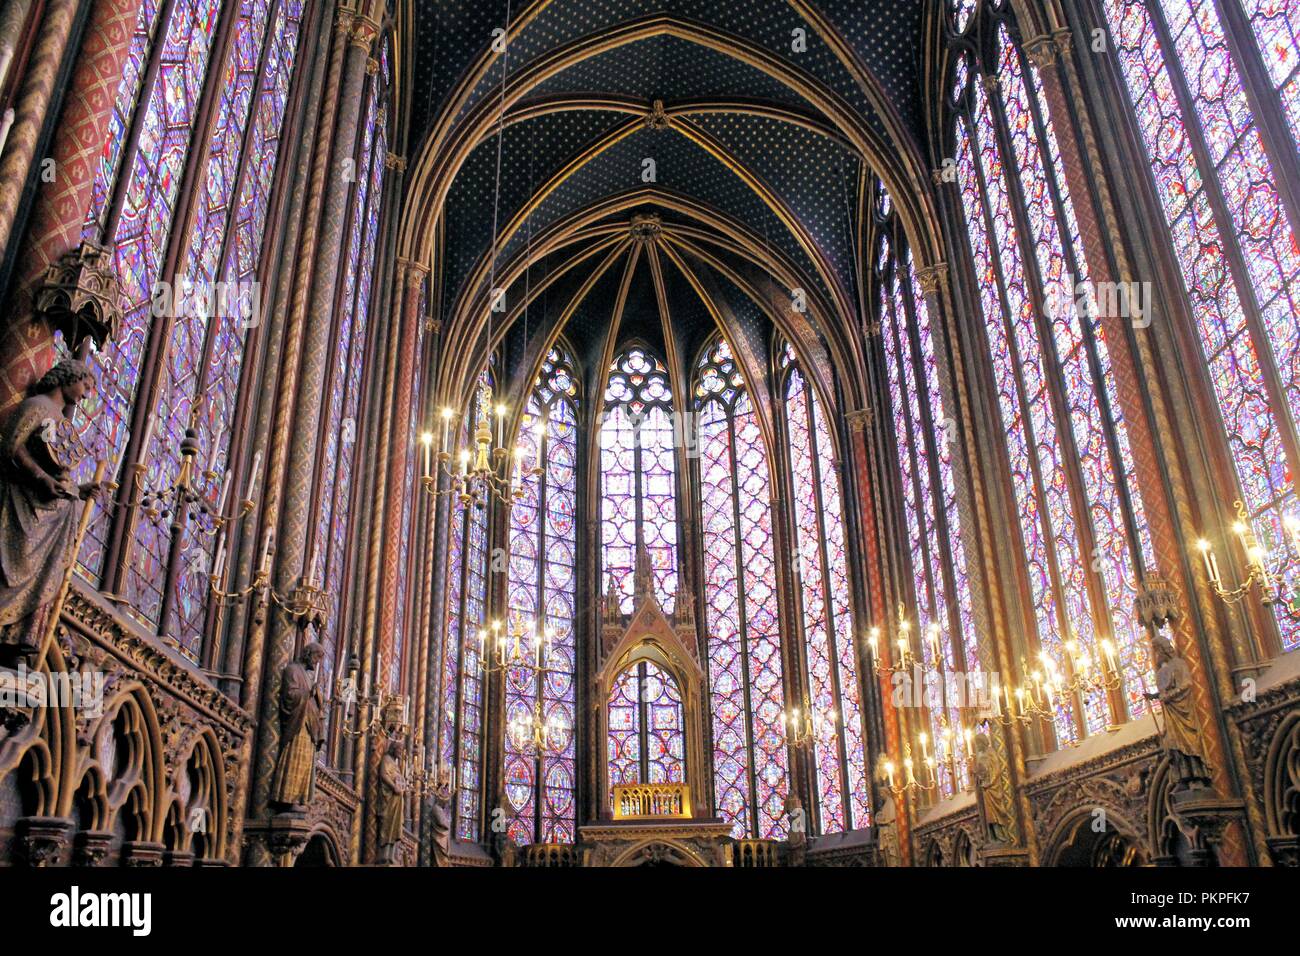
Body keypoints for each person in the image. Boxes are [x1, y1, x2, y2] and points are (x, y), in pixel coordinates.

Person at [0, 360, 104, 664]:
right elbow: (12, 447)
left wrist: (78, 490)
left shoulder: (61, 419)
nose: (86, 395)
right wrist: (41, 478)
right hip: (21, 505)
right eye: (86, 385)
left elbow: (59, 469)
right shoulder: (37, 406)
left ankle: (15, 640)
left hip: (51, 518)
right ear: (68, 377)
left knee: (44, 576)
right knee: (12, 564)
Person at [270, 642, 326, 810]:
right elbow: (290, 695)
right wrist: (308, 693)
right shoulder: (293, 670)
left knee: (305, 763)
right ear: (308, 653)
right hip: (298, 724)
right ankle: (287, 798)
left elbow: (314, 704)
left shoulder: (308, 677)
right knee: (294, 759)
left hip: (309, 725)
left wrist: (318, 697)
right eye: (316, 657)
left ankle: (299, 798)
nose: (316, 662)